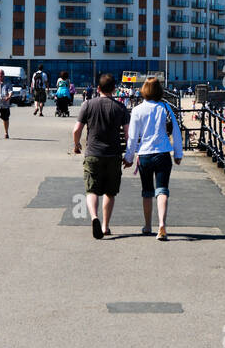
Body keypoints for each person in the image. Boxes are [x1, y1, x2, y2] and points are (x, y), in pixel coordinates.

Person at [73, 73, 131, 240]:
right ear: (114, 89)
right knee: (110, 192)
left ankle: (94, 217)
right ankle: (105, 226)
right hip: (113, 154)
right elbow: (129, 135)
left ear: (98, 89)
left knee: (92, 190)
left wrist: (77, 145)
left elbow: (76, 130)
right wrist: (129, 155)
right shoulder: (120, 108)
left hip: (93, 153)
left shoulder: (88, 105)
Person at [126, 76, 184, 241]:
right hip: (163, 153)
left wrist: (129, 157)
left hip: (144, 154)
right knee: (162, 190)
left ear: (144, 91)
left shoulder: (137, 110)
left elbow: (132, 137)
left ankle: (147, 225)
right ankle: (162, 225)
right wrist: (178, 154)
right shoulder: (165, 107)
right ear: (159, 91)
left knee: (147, 192)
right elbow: (176, 132)